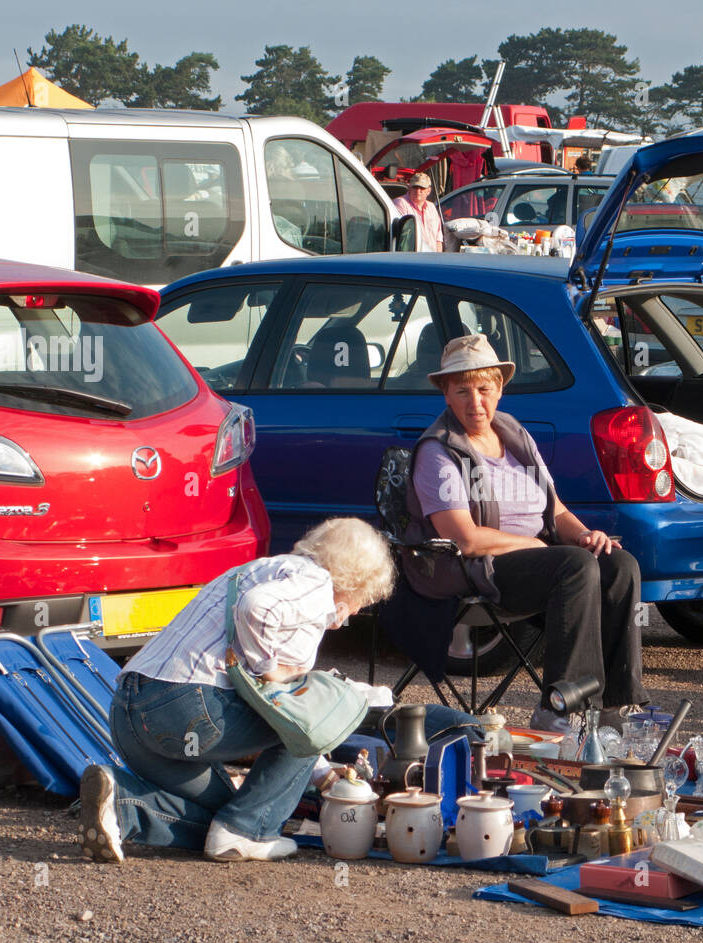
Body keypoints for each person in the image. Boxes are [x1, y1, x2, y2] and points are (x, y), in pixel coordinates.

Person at [78, 517, 479, 864]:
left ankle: (125, 807)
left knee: (228, 811)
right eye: (363, 602)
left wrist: (320, 773)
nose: (356, 612)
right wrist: (272, 670)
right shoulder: (316, 583)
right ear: (357, 582)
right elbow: (257, 611)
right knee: (323, 713)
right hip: (182, 706)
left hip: (131, 713)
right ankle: (247, 832)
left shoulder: (265, 569)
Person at [403, 334, 649, 732]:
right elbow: (464, 538)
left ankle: (616, 706)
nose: (475, 402)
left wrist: (587, 535)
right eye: (462, 391)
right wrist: (533, 544)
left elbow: (555, 509)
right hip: (475, 570)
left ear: (500, 389)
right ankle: (561, 707)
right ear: (445, 394)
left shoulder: (514, 435)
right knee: (574, 566)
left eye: (484, 389)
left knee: (618, 564)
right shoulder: (439, 451)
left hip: (539, 562)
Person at [392, 171, 444, 252]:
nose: (418, 191)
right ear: (409, 188)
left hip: (432, 258)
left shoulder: (432, 207)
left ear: (429, 191)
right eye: (415, 187)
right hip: (412, 258)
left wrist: (438, 258)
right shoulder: (400, 203)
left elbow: (438, 239)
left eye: (422, 188)